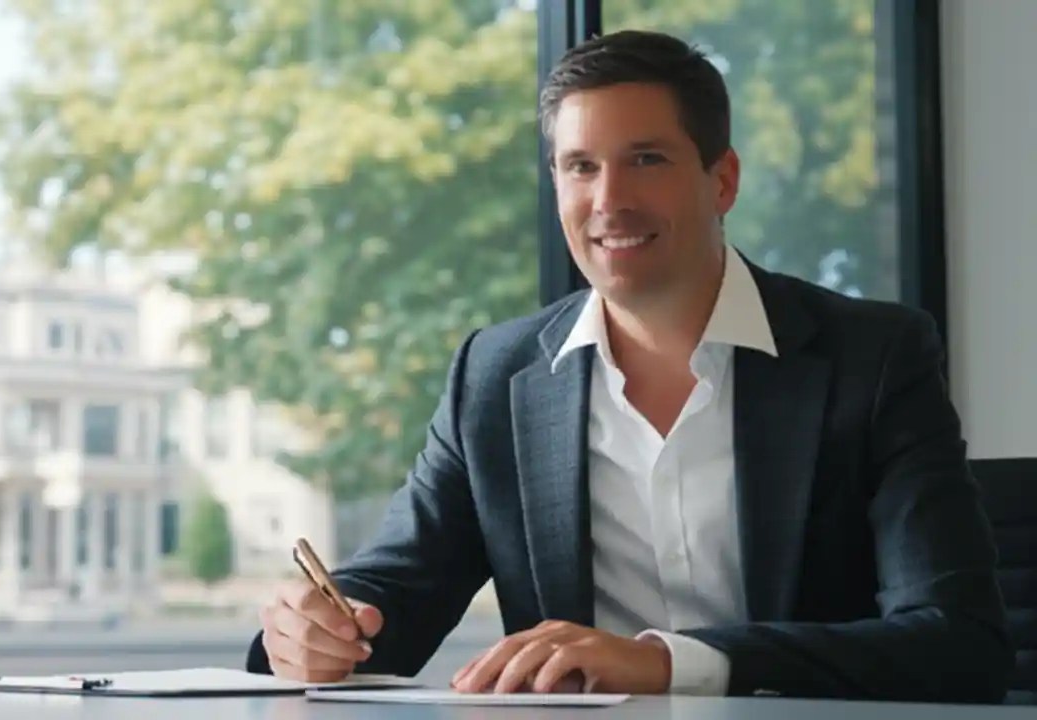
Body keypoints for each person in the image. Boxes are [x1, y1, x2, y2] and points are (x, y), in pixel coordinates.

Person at [247, 29, 1014, 702]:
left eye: (645, 159)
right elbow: (391, 599)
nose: (609, 199)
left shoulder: (872, 358)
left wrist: (667, 663)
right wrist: (315, 633)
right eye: (579, 166)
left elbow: (958, 645)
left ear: (723, 180)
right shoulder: (496, 375)